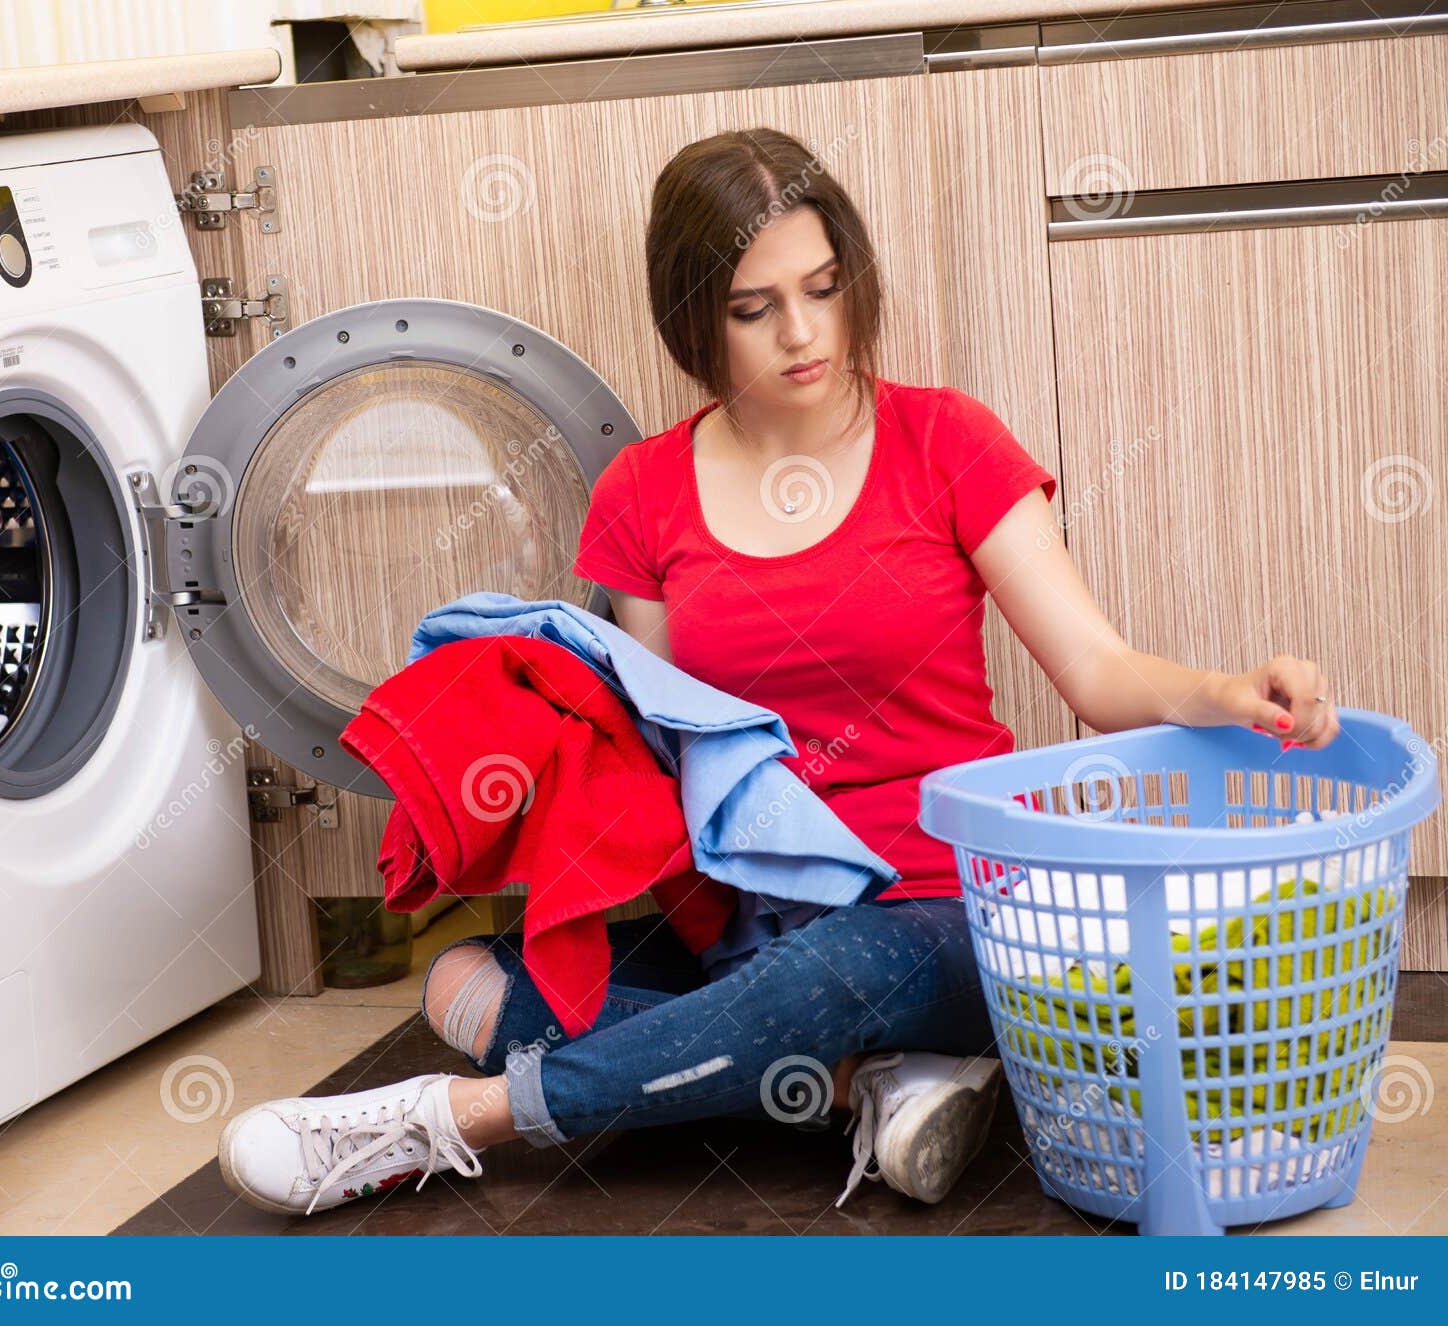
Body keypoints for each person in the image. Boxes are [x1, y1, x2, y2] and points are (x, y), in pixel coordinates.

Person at [218, 129, 1337, 1219]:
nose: (803, 334)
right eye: (754, 309)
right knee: (466, 982)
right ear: (693, 320)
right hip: (751, 916)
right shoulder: (643, 493)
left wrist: (1226, 692)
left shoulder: (946, 442)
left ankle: (448, 1122)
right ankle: (863, 1084)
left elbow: (1097, 669)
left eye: (823, 289)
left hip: (951, 905)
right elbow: (669, 755)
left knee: (829, 974)